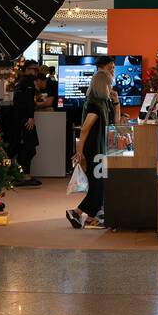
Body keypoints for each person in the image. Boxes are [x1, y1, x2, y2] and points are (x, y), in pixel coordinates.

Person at [66, 64, 113, 229]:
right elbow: (85, 129)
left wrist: (116, 102)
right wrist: (80, 152)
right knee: (97, 186)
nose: (111, 87)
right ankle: (78, 212)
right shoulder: (95, 104)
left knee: (99, 185)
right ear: (103, 85)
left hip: (99, 148)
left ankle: (88, 216)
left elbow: (115, 122)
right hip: (94, 149)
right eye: (109, 84)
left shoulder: (102, 102)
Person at [12, 63, 53, 186]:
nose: (36, 72)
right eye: (34, 70)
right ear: (28, 70)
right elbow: (28, 101)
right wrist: (30, 117)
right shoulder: (28, 82)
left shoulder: (20, 82)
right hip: (26, 120)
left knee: (26, 148)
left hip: (20, 119)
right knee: (29, 148)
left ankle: (23, 175)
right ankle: (24, 176)